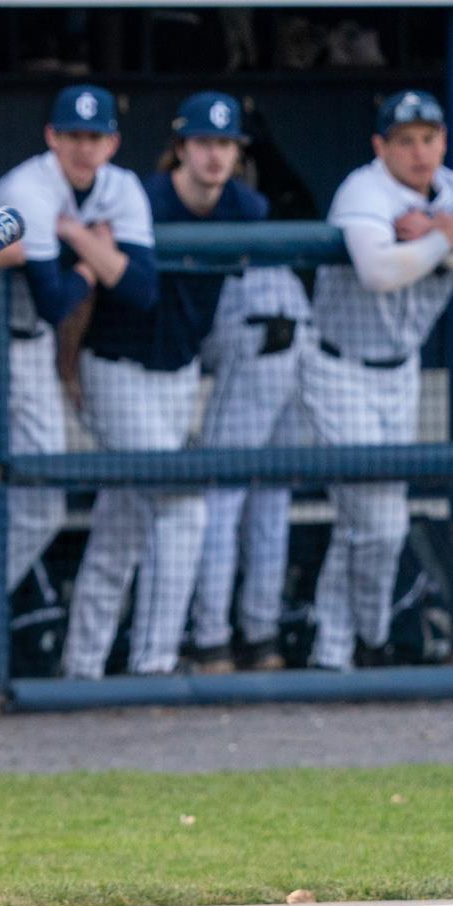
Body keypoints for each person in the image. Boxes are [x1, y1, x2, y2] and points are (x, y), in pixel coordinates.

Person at [0, 85, 154, 682]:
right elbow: (57, 299)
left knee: (43, 503)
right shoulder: (25, 188)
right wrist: (93, 259)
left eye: (96, 137)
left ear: (113, 140)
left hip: (28, 349)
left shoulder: (121, 187)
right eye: (74, 136)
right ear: (53, 137)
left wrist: (77, 240)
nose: (85, 149)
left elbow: (142, 290)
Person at [305, 90, 453, 670]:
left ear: (444, 140)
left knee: (363, 520)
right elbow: (378, 271)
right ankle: (367, 638)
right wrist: (447, 240)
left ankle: (333, 651)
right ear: (380, 146)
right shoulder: (363, 188)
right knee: (380, 519)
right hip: (337, 365)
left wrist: (452, 252)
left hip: (402, 371)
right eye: (405, 140)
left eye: (429, 138)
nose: (420, 152)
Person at [59, 96, 253, 681]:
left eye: (225, 144)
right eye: (203, 143)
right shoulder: (138, 197)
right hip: (116, 369)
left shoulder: (245, 207)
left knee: (120, 526)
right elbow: (86, 285)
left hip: (179, 378)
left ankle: (81, 668)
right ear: (181, 146)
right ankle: (155, 664)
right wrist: (67, 365)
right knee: (183, 508)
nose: (214, 155)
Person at [188, 141, 311, 675]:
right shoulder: (218, 202)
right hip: (298, 339)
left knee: (223, 499)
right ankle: (262, 638)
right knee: (270, 503)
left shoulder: (236, 206)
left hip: (261, 336)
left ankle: (213, 639)